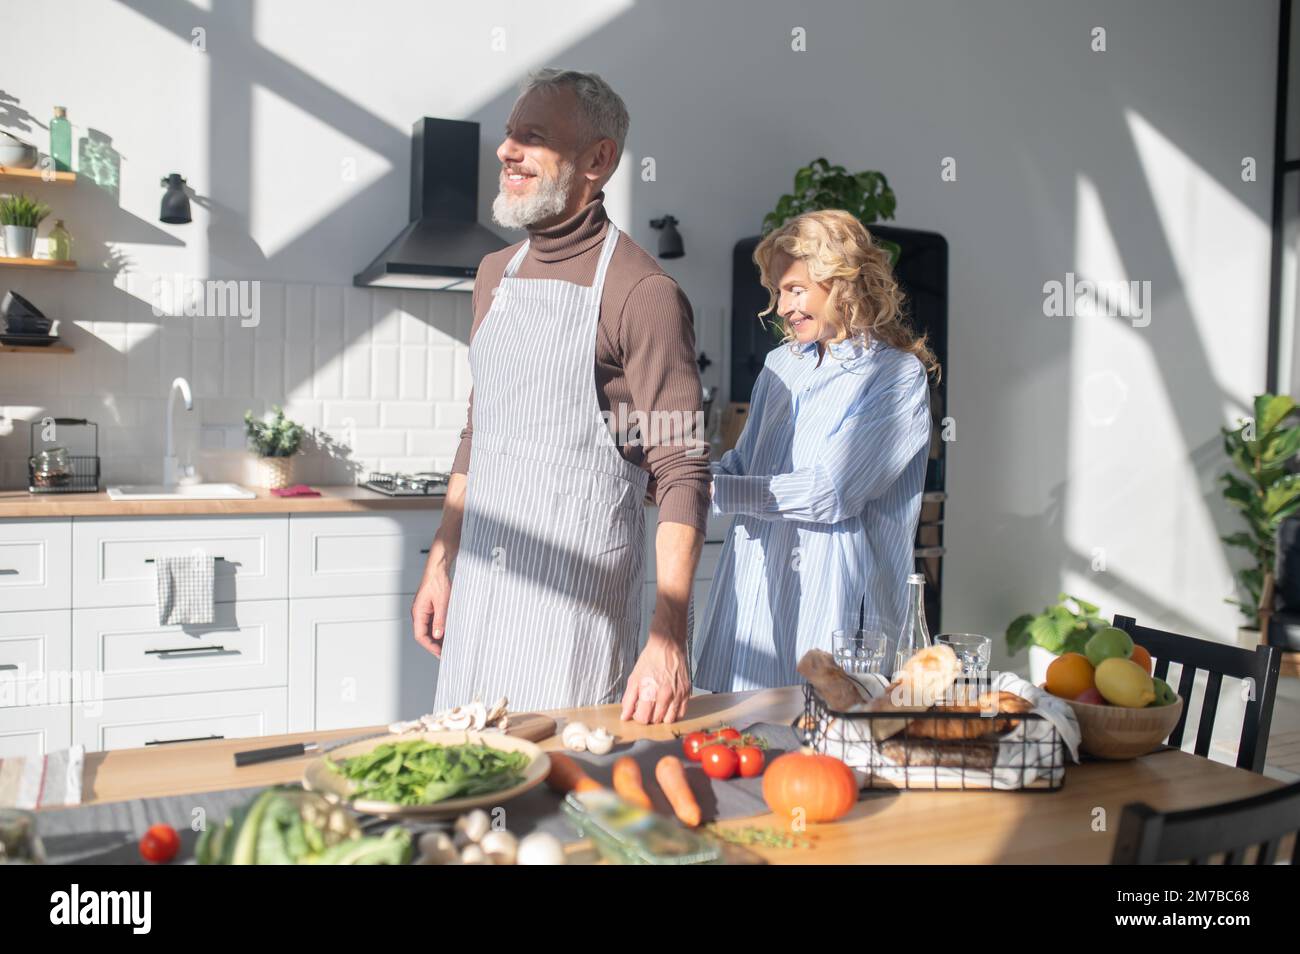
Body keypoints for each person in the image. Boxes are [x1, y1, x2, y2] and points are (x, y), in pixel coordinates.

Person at [411, 69, 709, 723]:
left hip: (572, 606)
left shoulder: (642, 292)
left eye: (532, 137)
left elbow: (681, 466)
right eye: (509, 135)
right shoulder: (495, 273)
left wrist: (668, 633)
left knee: (557, 793)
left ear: (597, 160)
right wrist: (441, 559)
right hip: (482, 594)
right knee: (464, 776)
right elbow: (477, 430)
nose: (505, 151)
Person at [695, 209, 938, 691]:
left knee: (825, 744)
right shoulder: (780, 364)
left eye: (795, 289)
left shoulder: (894, 376)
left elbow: (831, 493)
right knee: (741, 741)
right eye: (777, 292)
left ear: (843, 283)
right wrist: (682, 472)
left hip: (835, 599)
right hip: (756, 583)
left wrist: (712, 492)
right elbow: (743, 466)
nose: (783, 307)